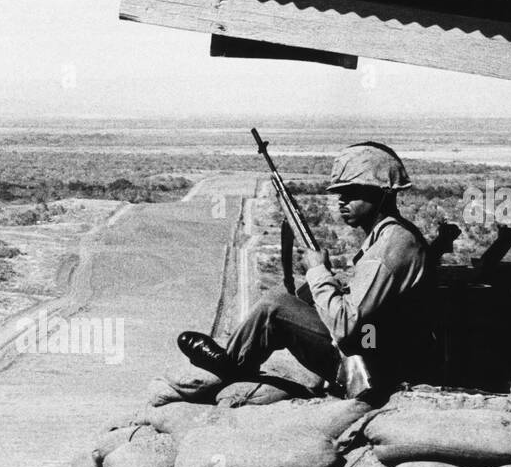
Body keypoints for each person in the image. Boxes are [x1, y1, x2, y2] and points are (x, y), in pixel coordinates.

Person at [179, 142, 429, 393]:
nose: (342, 200)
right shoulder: (392, 236)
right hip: (373, 347)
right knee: (298, 298)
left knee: (274, 307)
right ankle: (234, 359)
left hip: (368, 365)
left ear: (383, 193)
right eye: (340, 193)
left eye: (352, 192)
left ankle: (231, 366)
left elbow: (346, 326)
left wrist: (318, 271)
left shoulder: (391, 244)